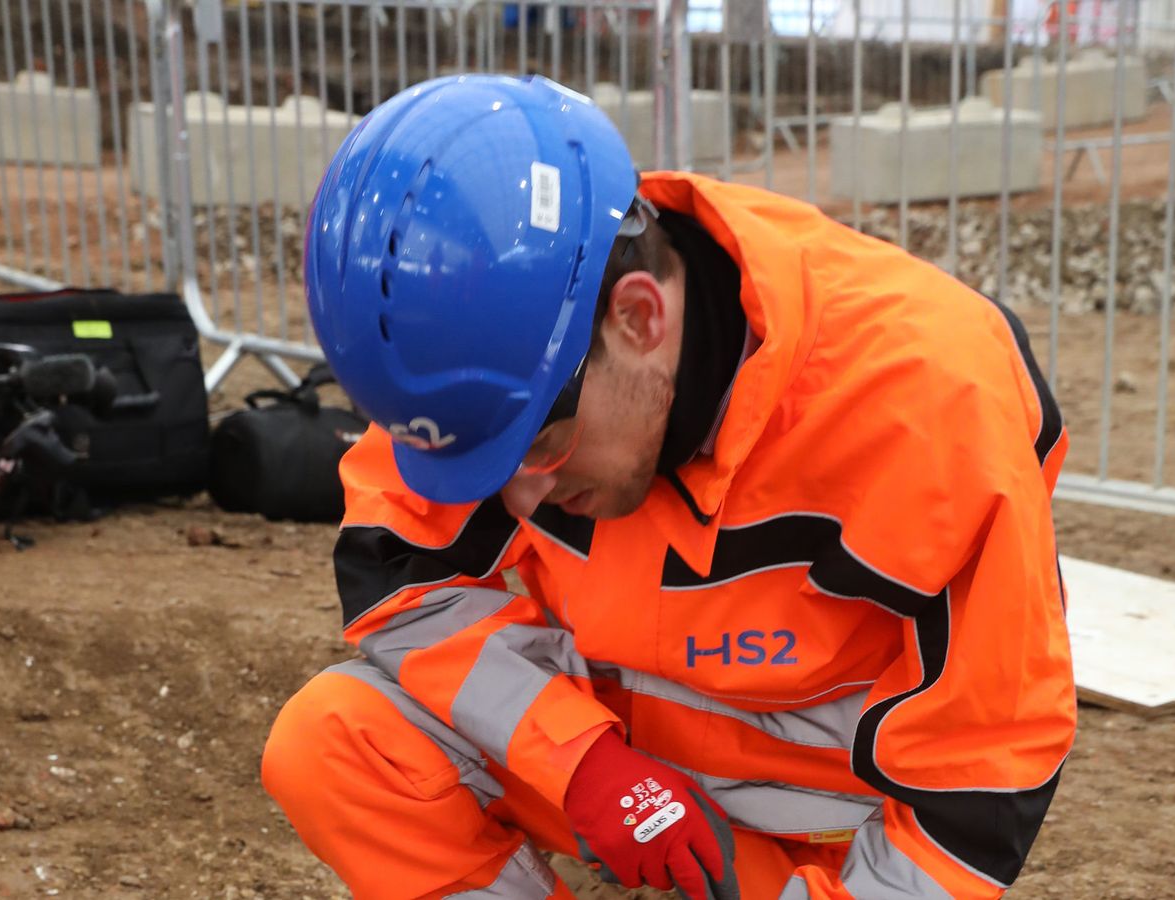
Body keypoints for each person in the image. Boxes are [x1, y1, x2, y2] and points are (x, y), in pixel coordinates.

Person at [262, 74, 1075, 899]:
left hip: (815, 846)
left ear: (640, 318)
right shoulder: (492, 349)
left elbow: (980, 769)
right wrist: (583, 763)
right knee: (336, 744)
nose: (514, 503)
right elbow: (400, 574)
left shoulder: (933, 403)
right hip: (612, 778)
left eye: (540, 449)